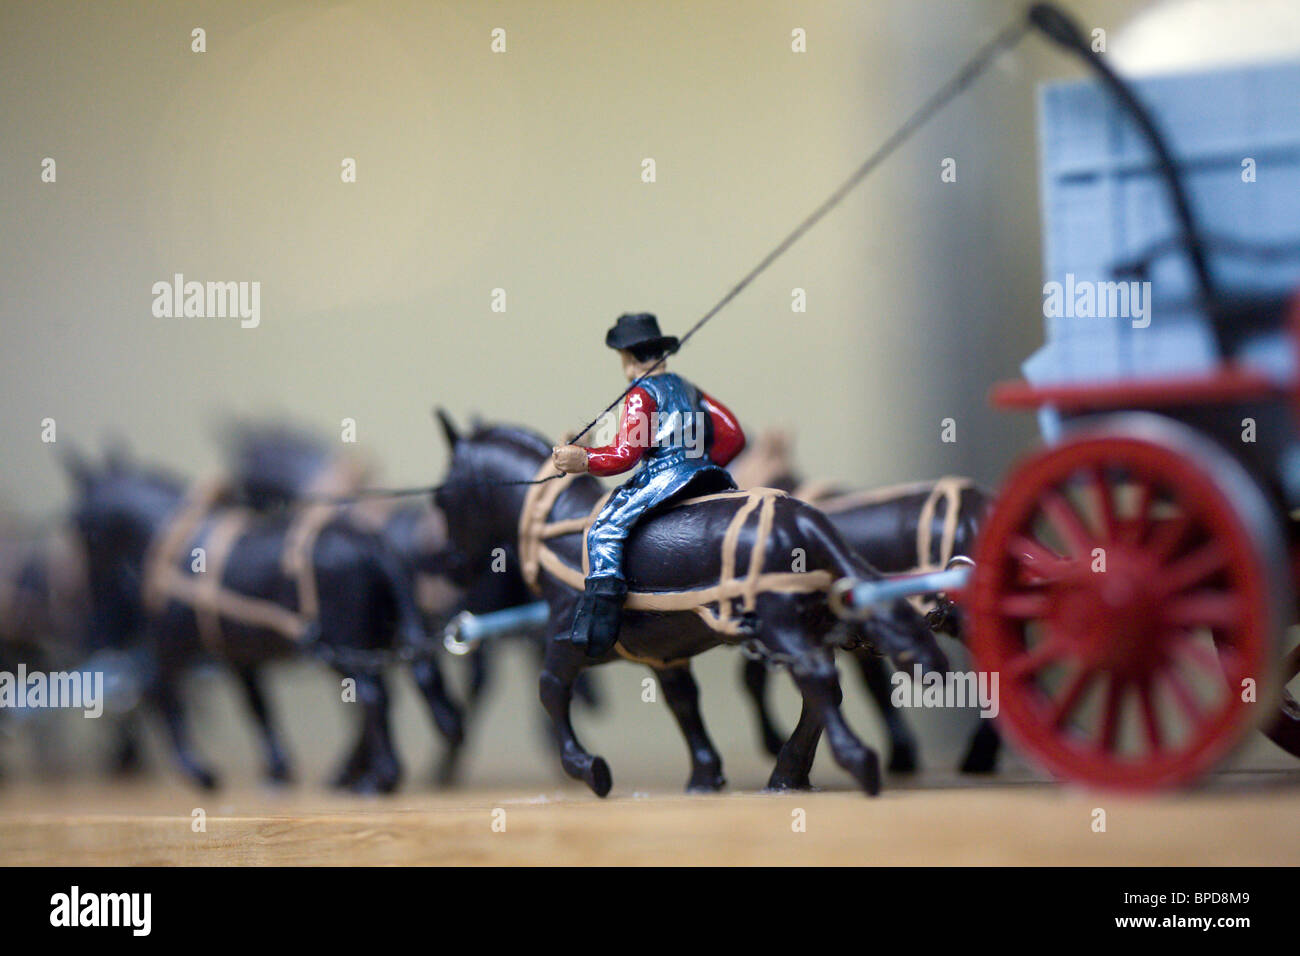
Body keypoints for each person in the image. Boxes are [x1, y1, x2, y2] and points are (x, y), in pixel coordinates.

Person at [552, 313, 745, 656]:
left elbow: (625, 455)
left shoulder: (642, 393)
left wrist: (583, 459)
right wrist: (705, 463)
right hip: (706, 473)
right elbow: (733, 434)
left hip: (665, 477)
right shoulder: (689, 388)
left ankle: (600, 625)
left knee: (604, 528)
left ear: (629, 358)